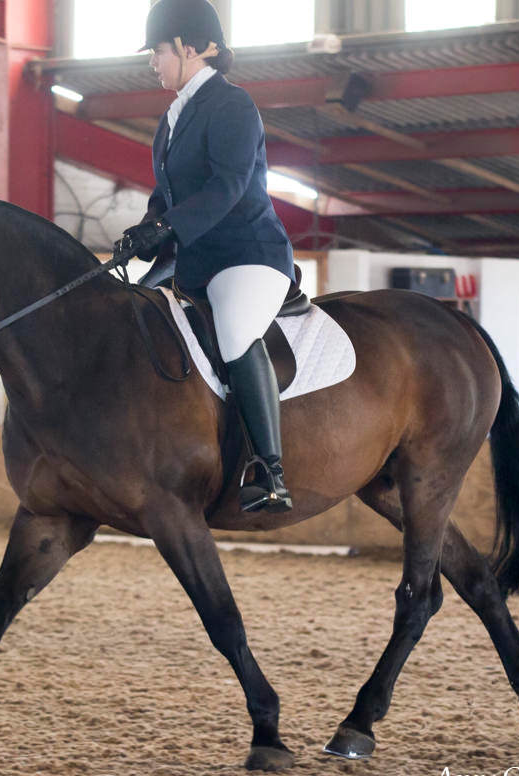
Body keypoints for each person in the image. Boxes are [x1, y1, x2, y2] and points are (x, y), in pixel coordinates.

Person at [113, 0, 296, 513]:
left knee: (236, 332)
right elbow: (166, 193)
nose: (153, 62)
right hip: (191, 257)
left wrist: (168, 227)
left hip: (246, 253)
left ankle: (270, 470)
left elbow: (229, 186)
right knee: (127, 318)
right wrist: (145, 231)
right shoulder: (172, 117)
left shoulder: (232, 105)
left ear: (189, 48)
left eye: (158, 51)